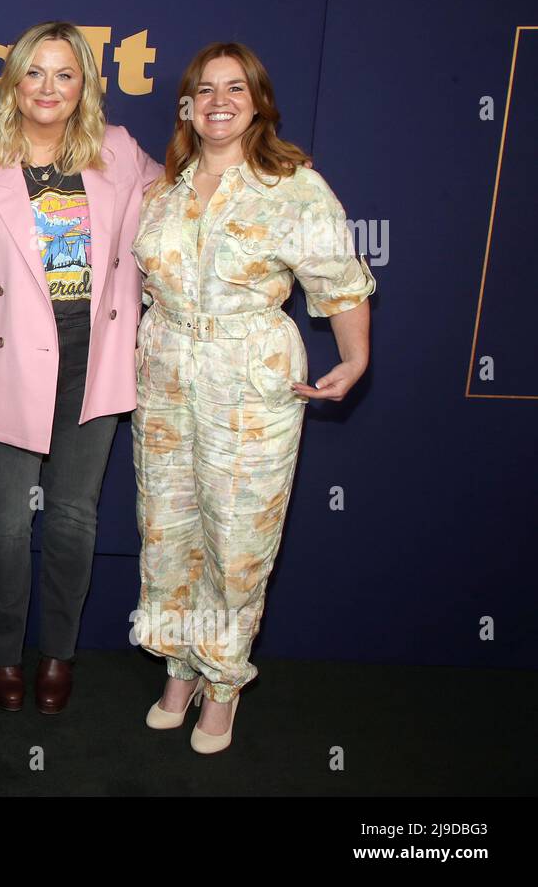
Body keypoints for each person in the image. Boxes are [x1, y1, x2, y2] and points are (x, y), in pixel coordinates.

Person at [131, 42, 375, 753]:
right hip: (168, 373)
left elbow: (341, 280)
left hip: (249, 377)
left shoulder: (291, 184)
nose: (218, 101)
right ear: (186, 104)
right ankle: (179, 666)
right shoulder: (165, 185)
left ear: (258, 101)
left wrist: (355, 358)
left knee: (237, 541)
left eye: (235, 88)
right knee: (168, 530)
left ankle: (224, 682)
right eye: (204, 89)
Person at [0, 21, 162, 714]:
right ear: (13, 82)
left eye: (65, 74)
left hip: (95, 369)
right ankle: (5, 654)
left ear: (84, 84)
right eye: (35, 72)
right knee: (5, 524)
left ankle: (58, 655)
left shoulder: (119, 152)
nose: (49, 88)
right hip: (7, 372)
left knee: (72, 521)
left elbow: (182, 204)